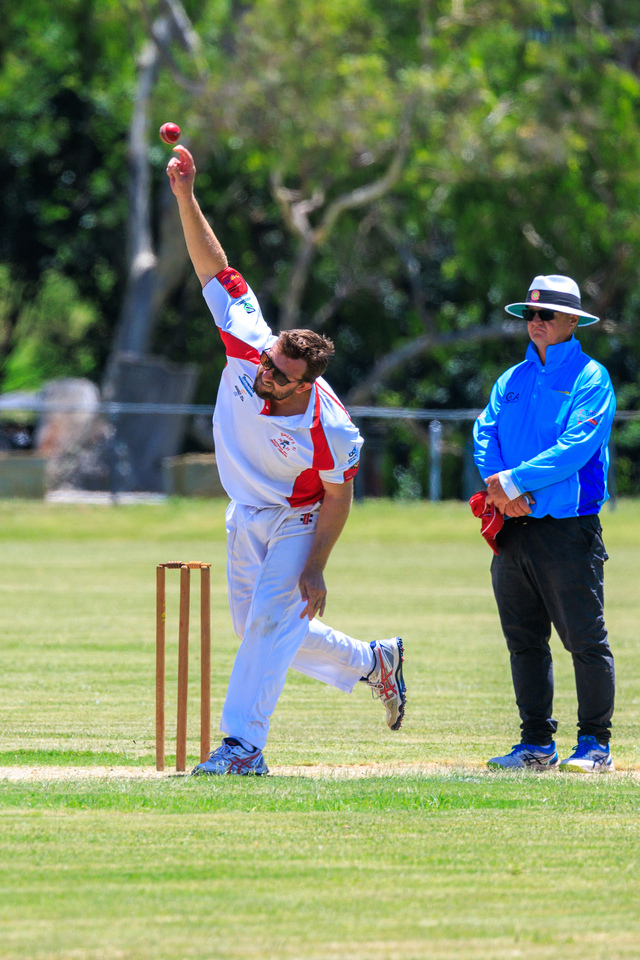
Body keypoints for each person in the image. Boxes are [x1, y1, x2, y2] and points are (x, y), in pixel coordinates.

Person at [166, 145, 406, 775]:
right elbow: (215, 269)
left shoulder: (331, 428)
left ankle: (243, 747)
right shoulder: (249, 344)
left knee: (271, 625)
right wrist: (187, 195)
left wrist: (317, 567)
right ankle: (373, 662)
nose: (264, 372)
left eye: (279, 373)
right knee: (257, 630)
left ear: (305, 384)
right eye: (269, 360)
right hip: (246, 508)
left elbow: (339, 496)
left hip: (299, 517)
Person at [473, 274, 616, 773]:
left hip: (567, 528)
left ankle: (595, 745)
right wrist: (501, 487)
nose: (535, 321)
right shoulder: (510, 379)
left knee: (584, 640)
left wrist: (513, 483)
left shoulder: (591, 378)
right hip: (512, 529)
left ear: (572, 321)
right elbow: (484, 433)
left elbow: (576, 446)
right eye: (529, 314)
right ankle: (535, 745)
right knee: (524, 641)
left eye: (546, 314)